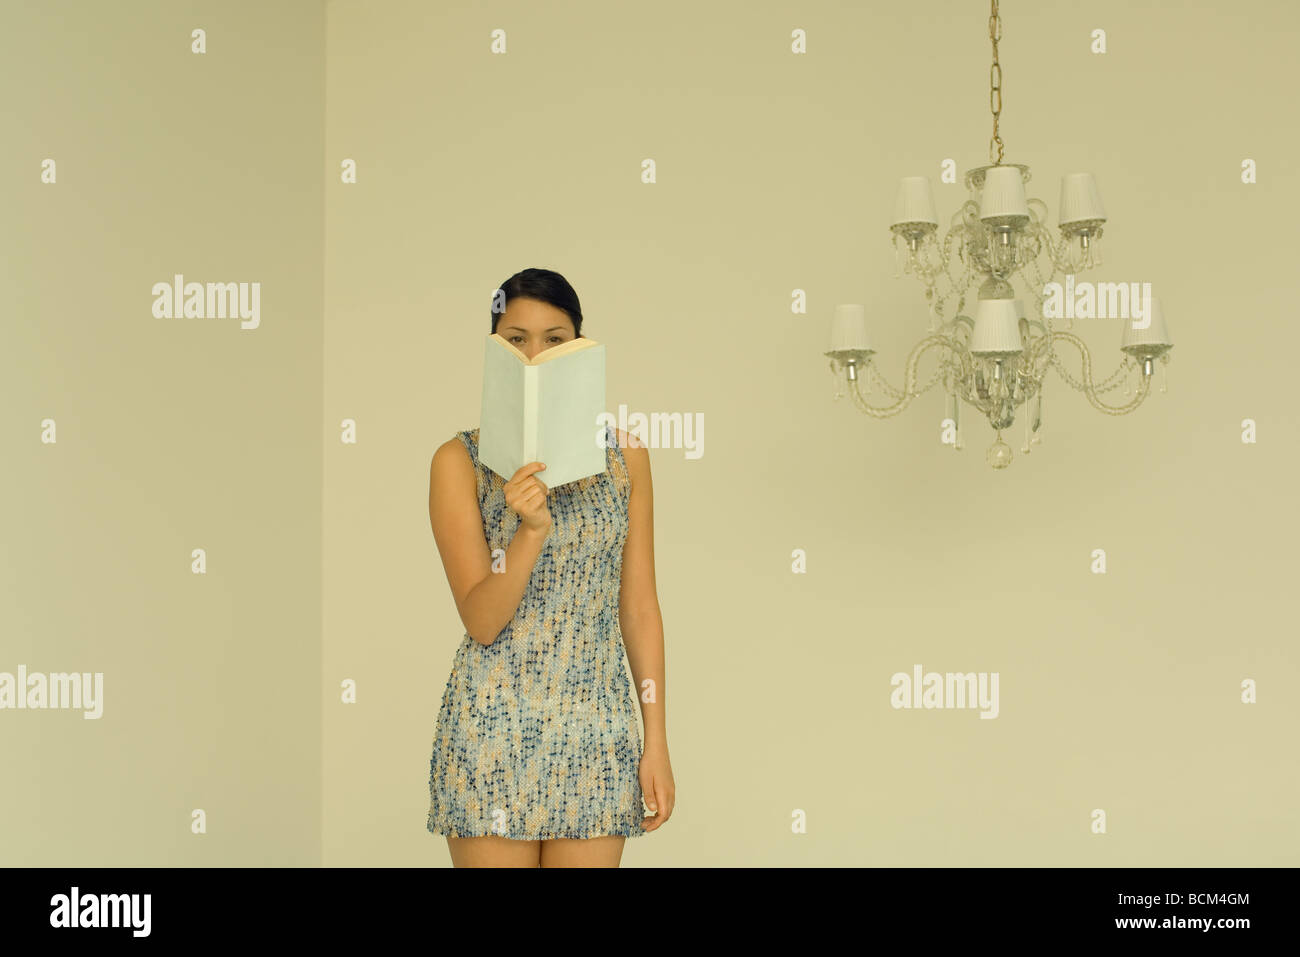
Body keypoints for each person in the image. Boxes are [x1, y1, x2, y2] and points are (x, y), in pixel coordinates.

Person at [426, 267, 674, 867]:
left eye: (554, 339)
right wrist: (530, 532)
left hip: (597, 729)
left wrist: (656, 739)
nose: (535, 352)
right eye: (516, 338)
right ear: (496, 348)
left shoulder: (627, 458)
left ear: (577, 349)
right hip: (490, 727)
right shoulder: (458, 462)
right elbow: (482, 621)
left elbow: (639, 607)